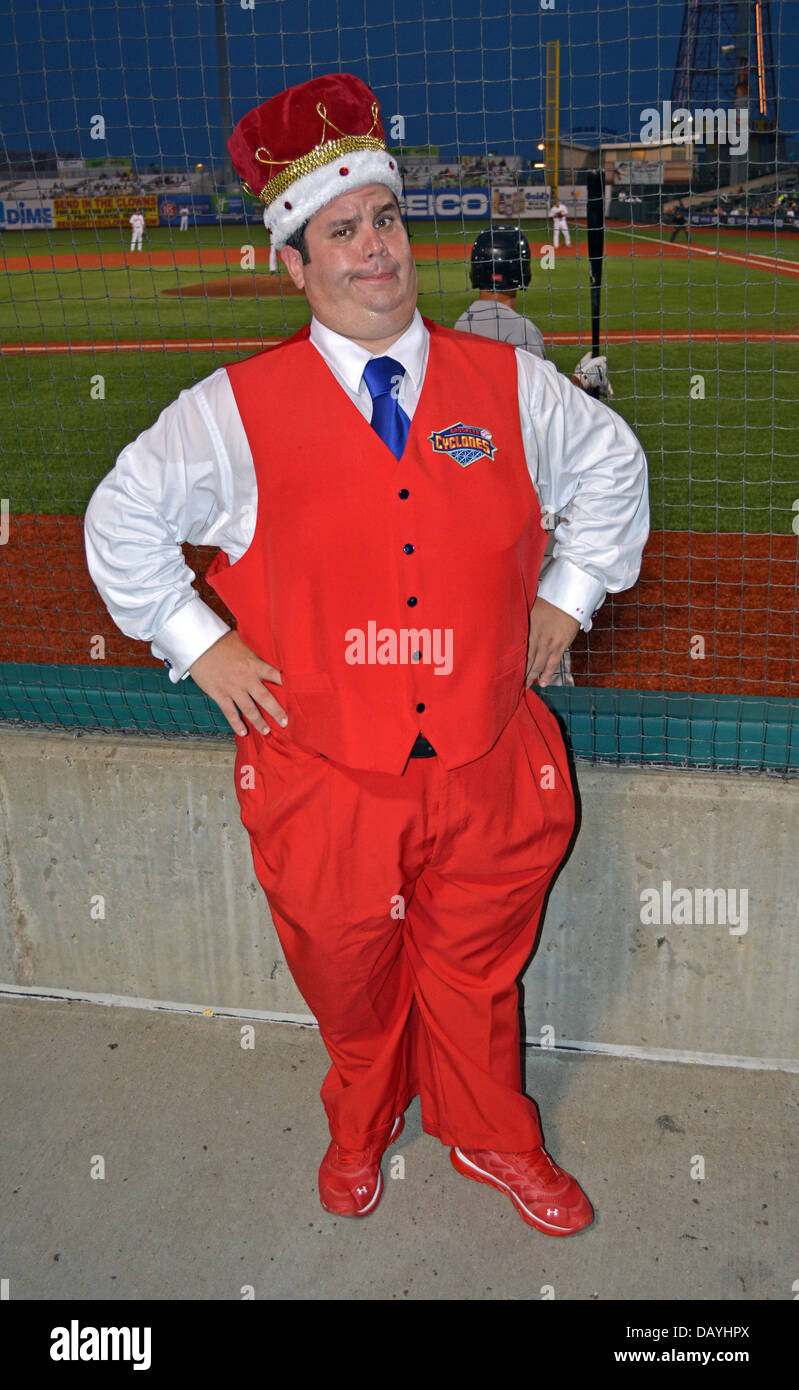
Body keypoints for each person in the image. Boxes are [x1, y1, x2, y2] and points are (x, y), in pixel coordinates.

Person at [84, 73, 649, 1237]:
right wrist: (203, 644)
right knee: (347, 976)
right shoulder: (233, 410)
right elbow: (120, 519)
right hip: (322, 775)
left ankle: (492, 1133)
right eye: (341, 231)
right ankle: (362, 1118)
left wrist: (568, 593)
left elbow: (611, 468)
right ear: (295, 262)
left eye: (385, 219)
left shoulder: (508, 385)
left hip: (485, 756)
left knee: (476, 970)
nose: (375, 249)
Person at [454, 224, 615, 687]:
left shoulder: (459, 327)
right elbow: (536, 415)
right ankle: (547, 687)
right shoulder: (522, 329)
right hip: (518, 492)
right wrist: (587, 386)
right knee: (534, 605)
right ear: (522, 270)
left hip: (471, 484)